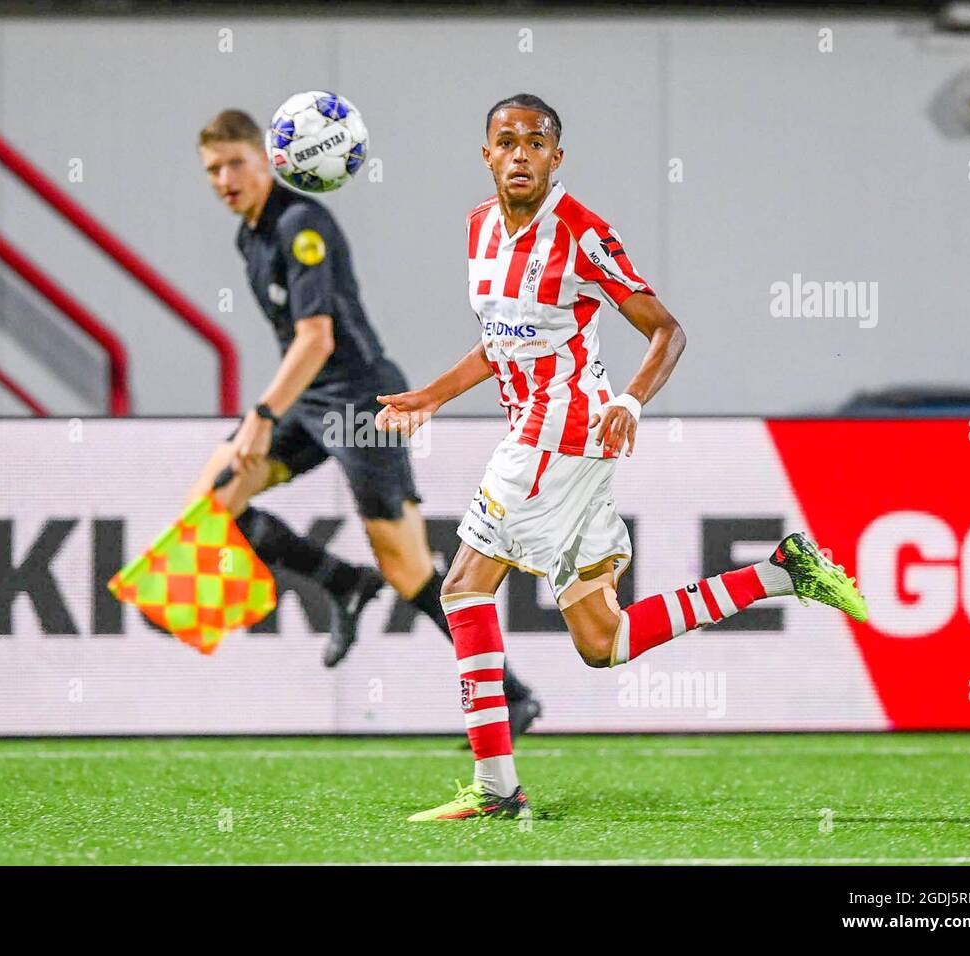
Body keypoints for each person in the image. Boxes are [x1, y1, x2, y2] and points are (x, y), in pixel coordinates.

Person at [376, 94, 868, 820]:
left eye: (536, 142)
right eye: (506, 142)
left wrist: (630, 401)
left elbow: (666, 330)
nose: (520, 153)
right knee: (602, 641)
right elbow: (501, 342)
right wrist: (433, 396)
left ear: (556, 157)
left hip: (561, 434)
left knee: (461, 589)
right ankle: (781, 571)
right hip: (549, 438)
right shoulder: (479, 230)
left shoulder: (581, 234)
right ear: (486, 155)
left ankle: (496, 789)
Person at [193, 108, 543, 737]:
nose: (225, 178)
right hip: (308, 402)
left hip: (361, 402)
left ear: (266, 160)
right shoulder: (249, 236)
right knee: (215, 497)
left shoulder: (302, 223)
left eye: (236, 163)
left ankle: (512, 693)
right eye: (213, 169)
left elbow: (318, 337)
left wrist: (261, 415)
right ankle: (340, 582)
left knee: (409, 570)